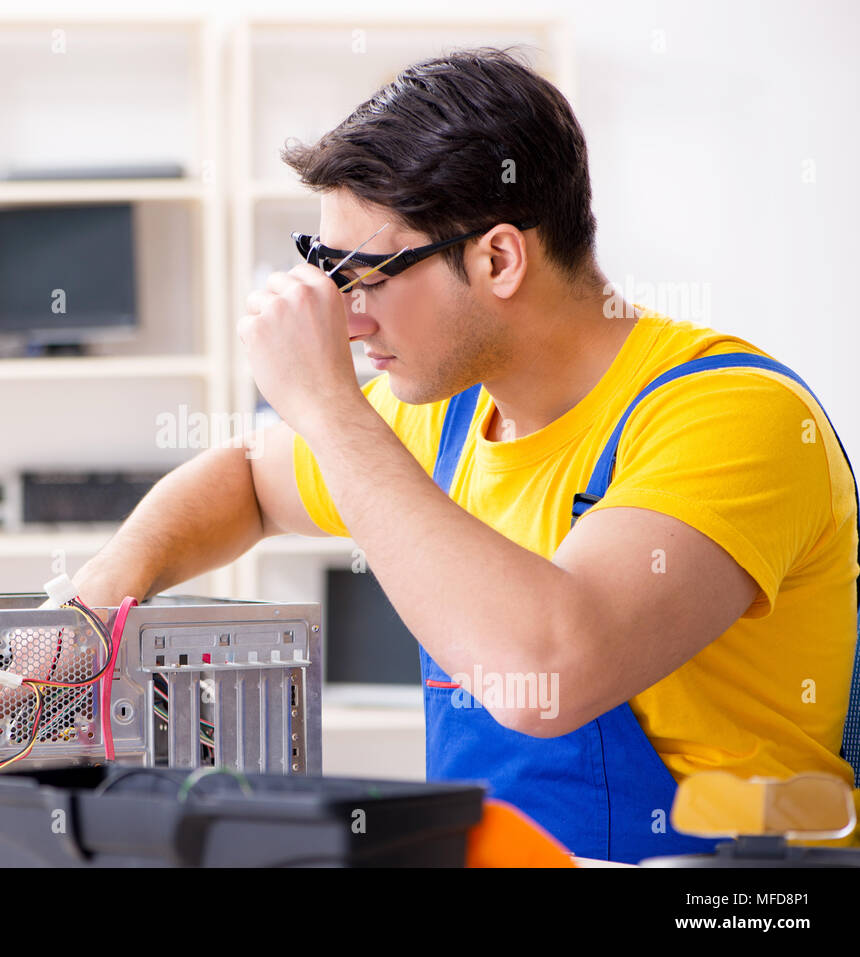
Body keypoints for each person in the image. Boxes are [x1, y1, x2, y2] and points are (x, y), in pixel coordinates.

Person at [74, 48, 859, 863]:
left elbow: (550, 667)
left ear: (498, 259)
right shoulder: (444, 412)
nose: (349, 320)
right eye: (330, 278)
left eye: (369, 277)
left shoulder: (733, 415)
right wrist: (93, 604)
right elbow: (246, 477)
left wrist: (327, 406)